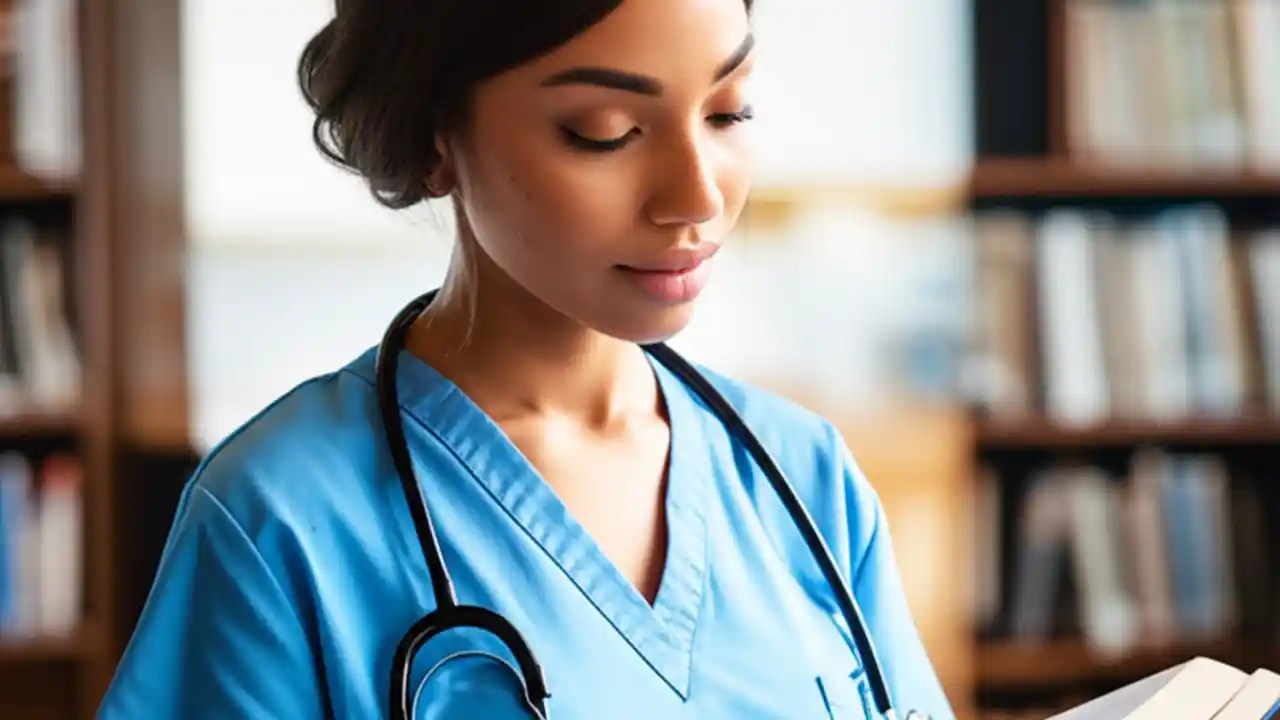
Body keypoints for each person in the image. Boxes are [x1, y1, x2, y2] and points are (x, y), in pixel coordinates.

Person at [99, 0, 955, 717]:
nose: (698, 195)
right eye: (606, 131)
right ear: (434, 135)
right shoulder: (278, 521)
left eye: (728, 111)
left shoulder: (806, 483)